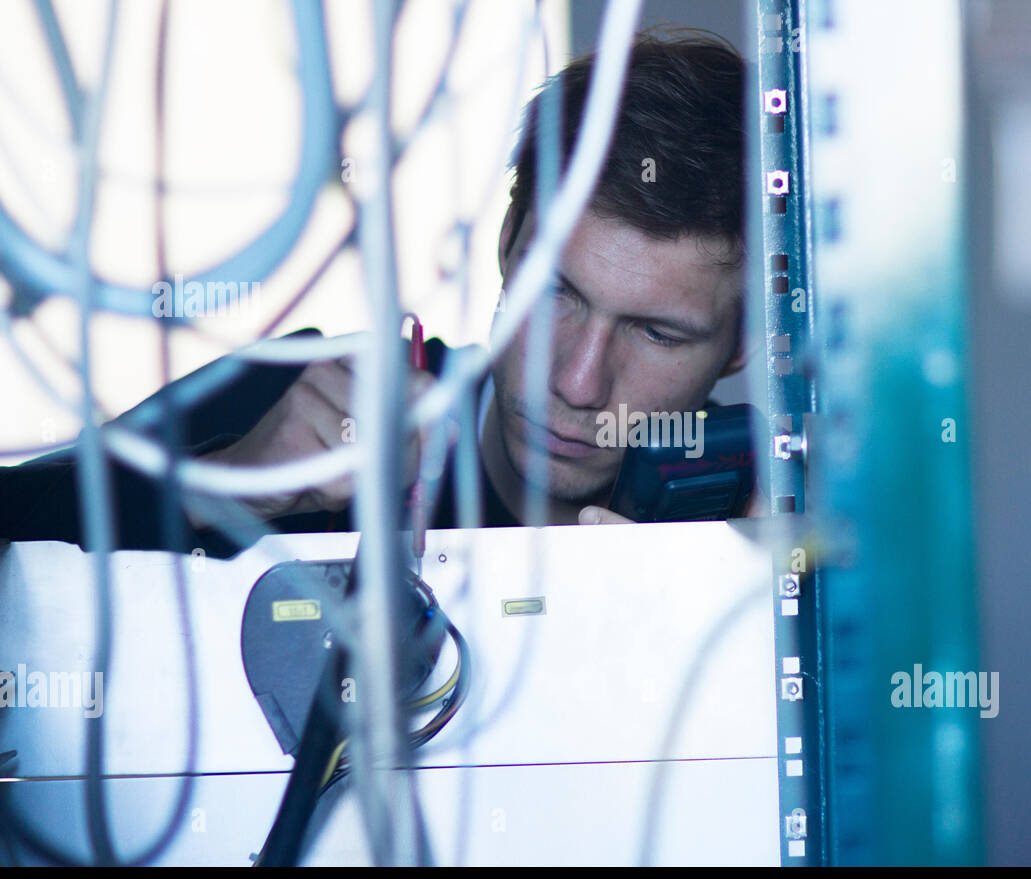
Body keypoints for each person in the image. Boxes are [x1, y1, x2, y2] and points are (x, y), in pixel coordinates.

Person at [0, 30, 757, 559]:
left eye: (657, 333)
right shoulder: (305, 396)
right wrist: (227, 483)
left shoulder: (780, 531)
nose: (577, 381)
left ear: (743, 343)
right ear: (505, 241)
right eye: (554, 291)